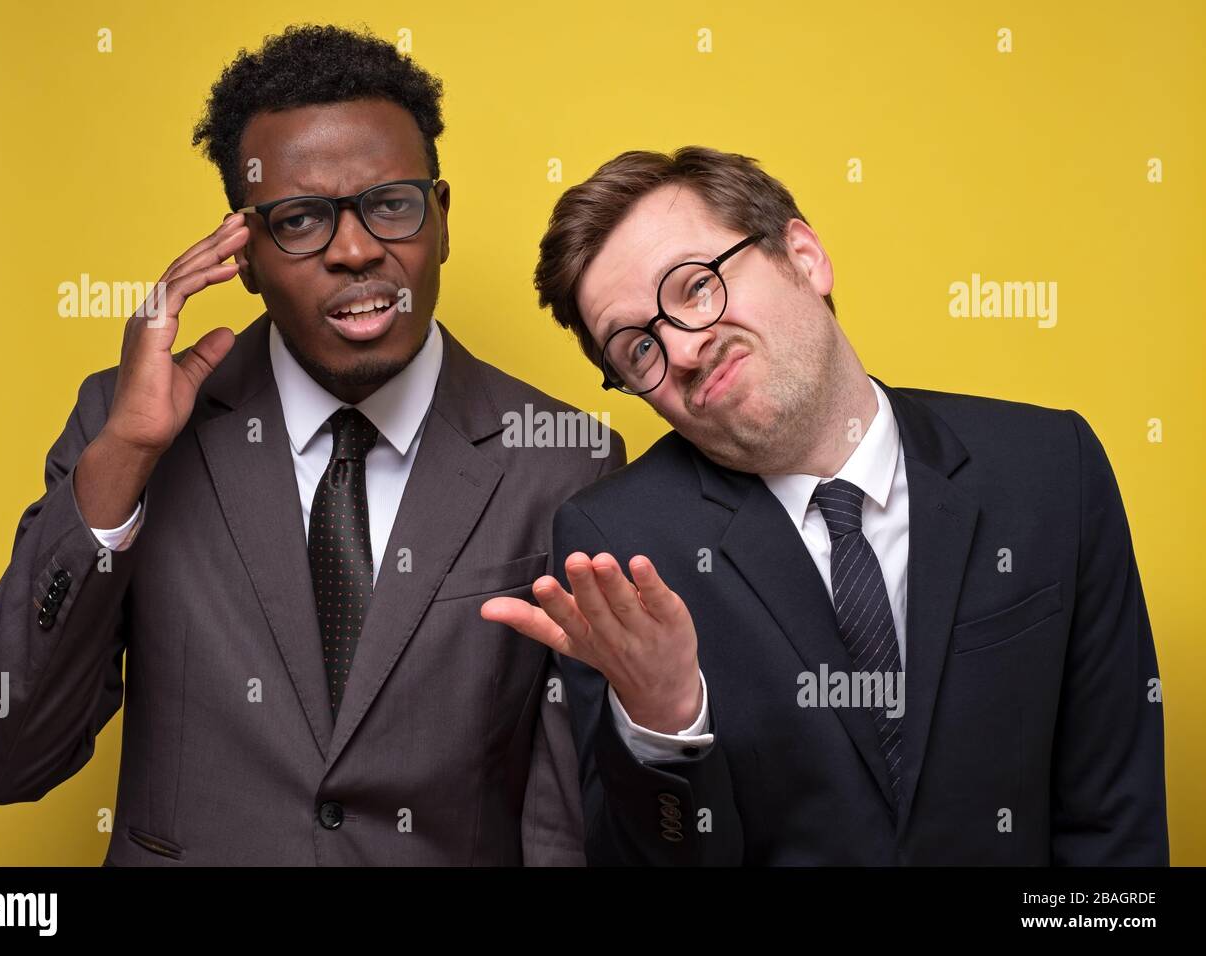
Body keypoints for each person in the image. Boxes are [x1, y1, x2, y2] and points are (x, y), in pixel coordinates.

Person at [0, 24, 623, 866]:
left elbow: (563, 818)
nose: (355, 248)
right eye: (301, 219)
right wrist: (125, 454)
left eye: (391, 204)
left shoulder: (562, 459)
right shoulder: (127, 430)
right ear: (245, 253)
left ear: (440, 218)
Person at [483, 145, 1169, 865]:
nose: (683, 350)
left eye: (694, 287)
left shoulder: (1049, 469)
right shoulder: (618, 545)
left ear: (804, 256)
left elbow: (1115, 828)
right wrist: (664, 720)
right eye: (638, 348)